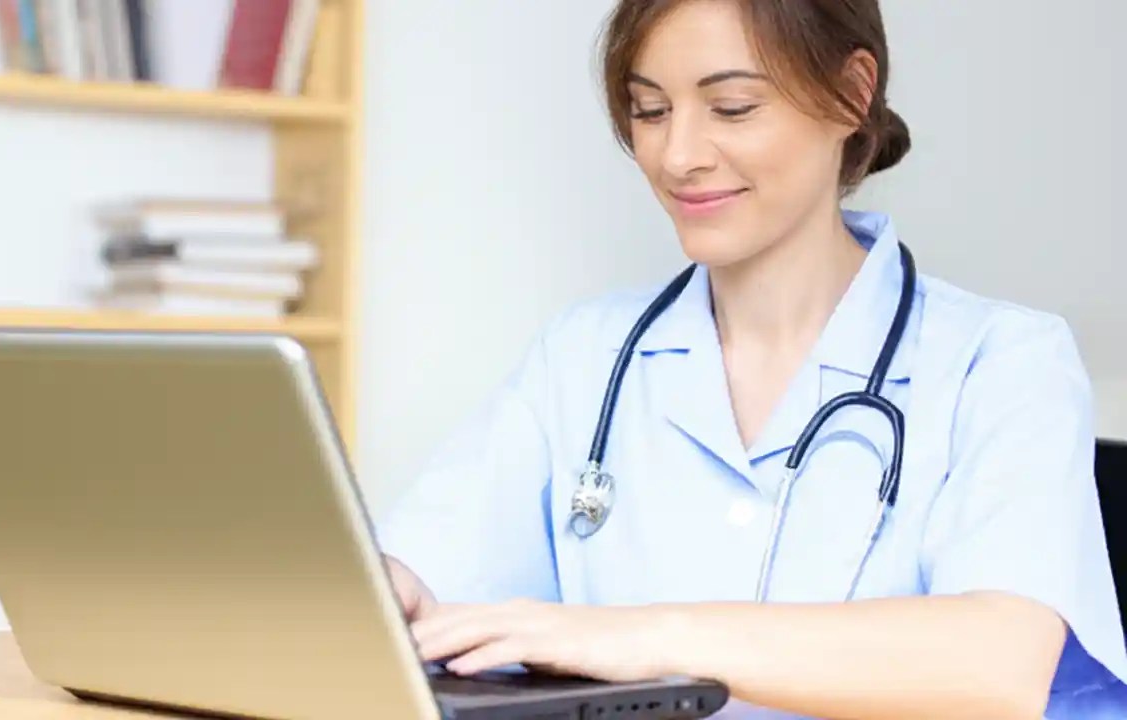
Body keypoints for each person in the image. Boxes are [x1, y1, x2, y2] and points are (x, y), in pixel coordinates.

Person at [376, 1, 1127, 718]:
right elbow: (420, 577)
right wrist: (371, 592)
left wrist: (645, 638)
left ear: (849, 94)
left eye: (731, 108)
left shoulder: (1000, 362)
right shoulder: (585, 358)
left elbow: (1002, 665)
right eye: (650, 110)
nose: (678, 155)